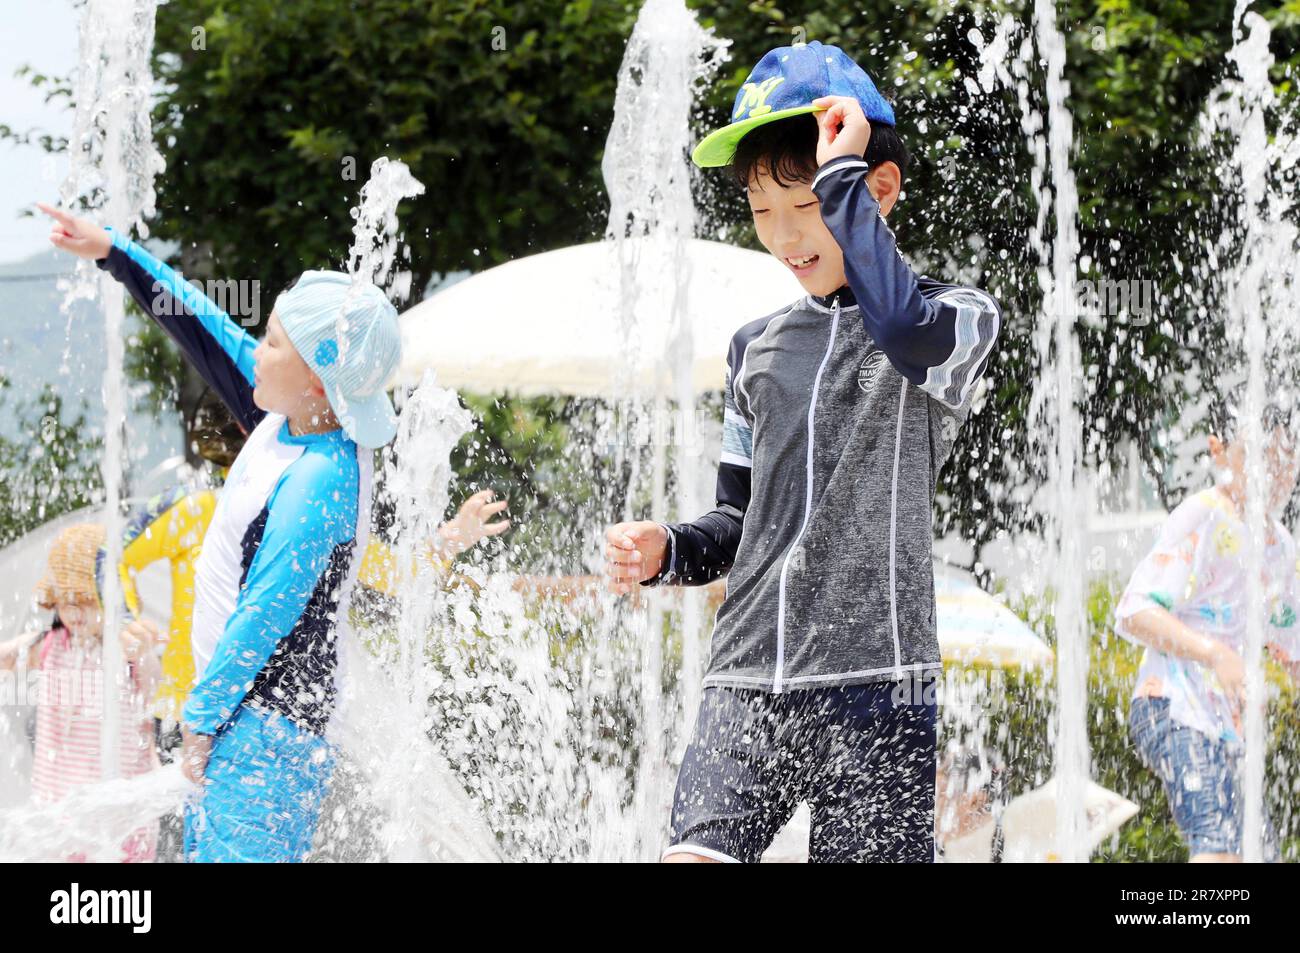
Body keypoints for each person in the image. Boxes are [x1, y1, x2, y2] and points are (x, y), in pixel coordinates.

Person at [602, 41, 1001, 862]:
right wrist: (670, 549)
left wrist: (843, 179)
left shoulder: (958, 319)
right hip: (748, 677)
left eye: (805, 204)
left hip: (882, 687)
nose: (782, 236)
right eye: (760, 210)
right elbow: (736, 521)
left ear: (874, 190)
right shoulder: (755, 349)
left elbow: (900, 331)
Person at [39, 201, 405, 862]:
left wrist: (202, 720)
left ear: (319, 378)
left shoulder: (322, 479)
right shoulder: (289, 414)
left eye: (272, 342)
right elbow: (202, 325)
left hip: (268, 735)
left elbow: (268, 611)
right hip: (241, 720)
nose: (255, 352)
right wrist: (114, 252)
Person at [1117, 401, 1300, 862]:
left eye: (1287, 456)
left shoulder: (1280, 545)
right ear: (1219, 452)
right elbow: (1134, 610)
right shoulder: (1203, 514)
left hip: (1225, 724)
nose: (1275, 471)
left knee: (1261, 851)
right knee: (1217, 840)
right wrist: (1215, 654)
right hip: (1171, 706)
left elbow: (1293, 646)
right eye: (1260, 456)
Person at [0, 523, 161, 861]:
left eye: (86, 601)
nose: (74, 613)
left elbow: (152, 690)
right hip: (60, 819)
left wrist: (143, 653)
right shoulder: (50, 646)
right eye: (64, 601)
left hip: (121, 824)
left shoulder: (125, 649)